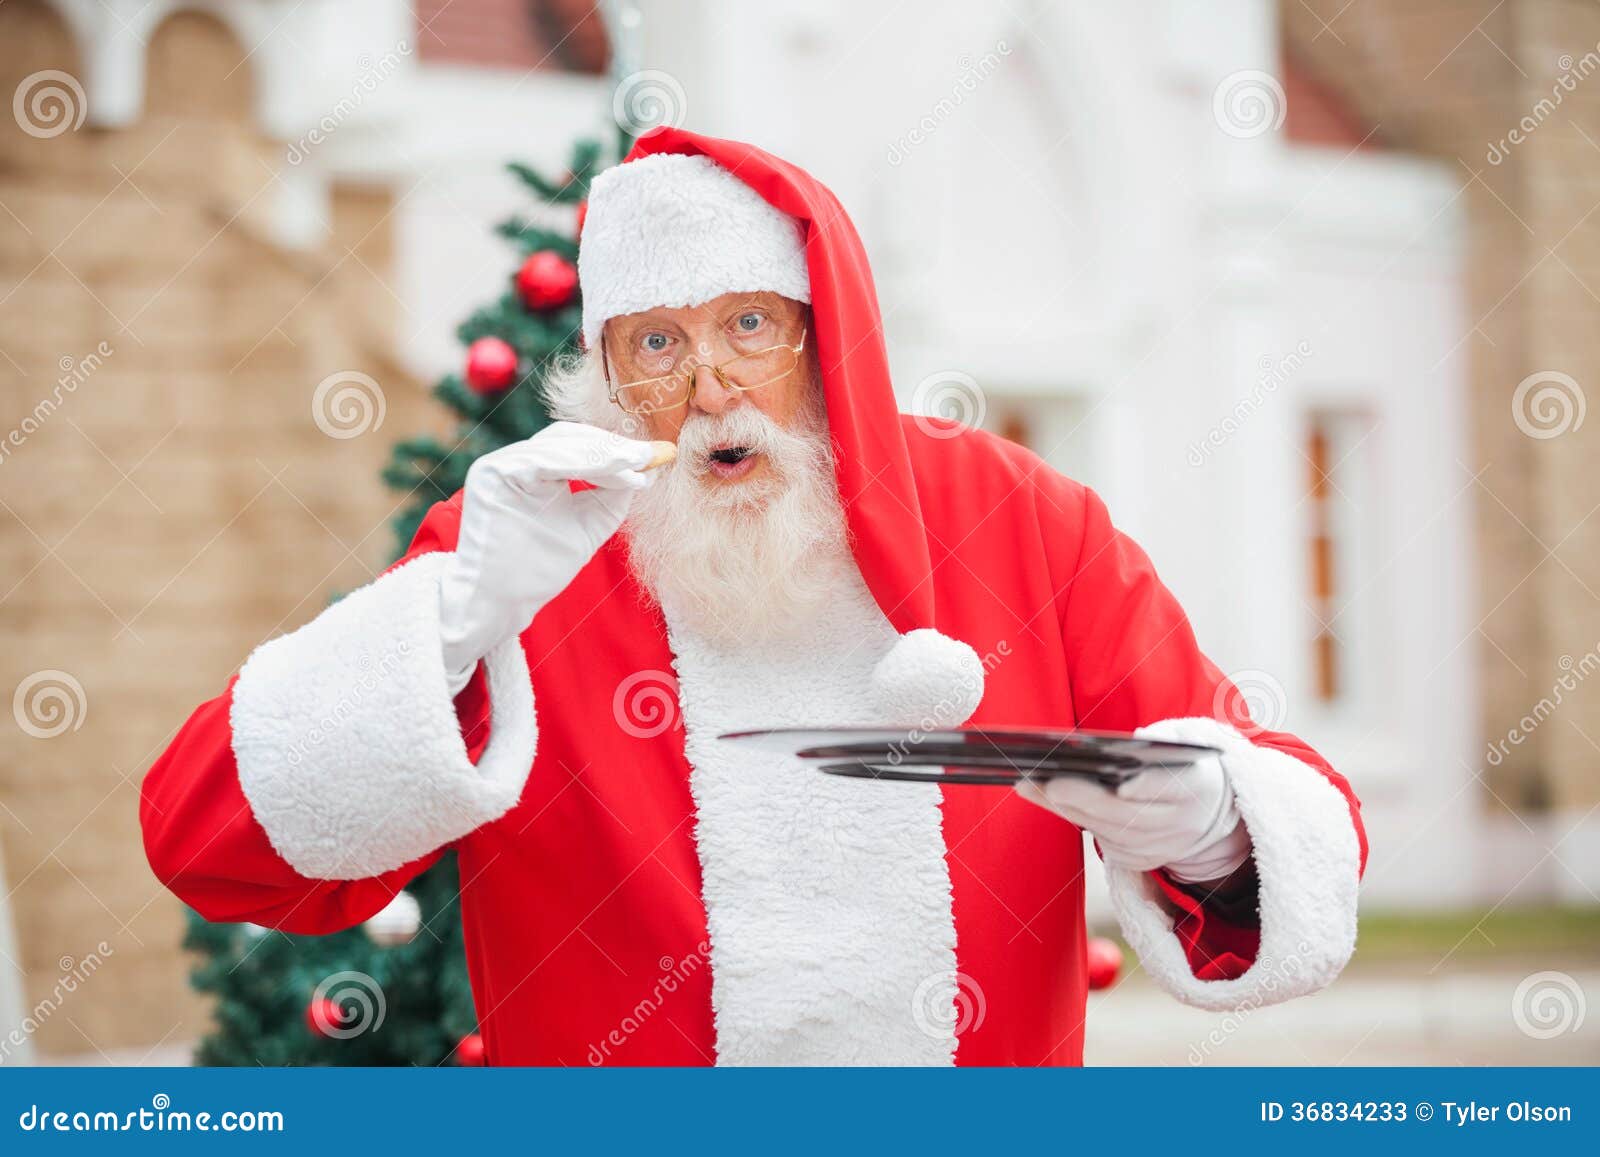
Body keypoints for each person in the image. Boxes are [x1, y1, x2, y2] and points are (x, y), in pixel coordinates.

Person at [142, 127, 1365, 1066]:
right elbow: (213, 846)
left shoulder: (1023, 518)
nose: (714, 384)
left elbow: (1293, 833)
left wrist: (1214, 828)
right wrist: (449, 628)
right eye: (657, 344)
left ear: (825, 339)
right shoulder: (523, 541)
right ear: (609, 374)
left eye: (748, 326)